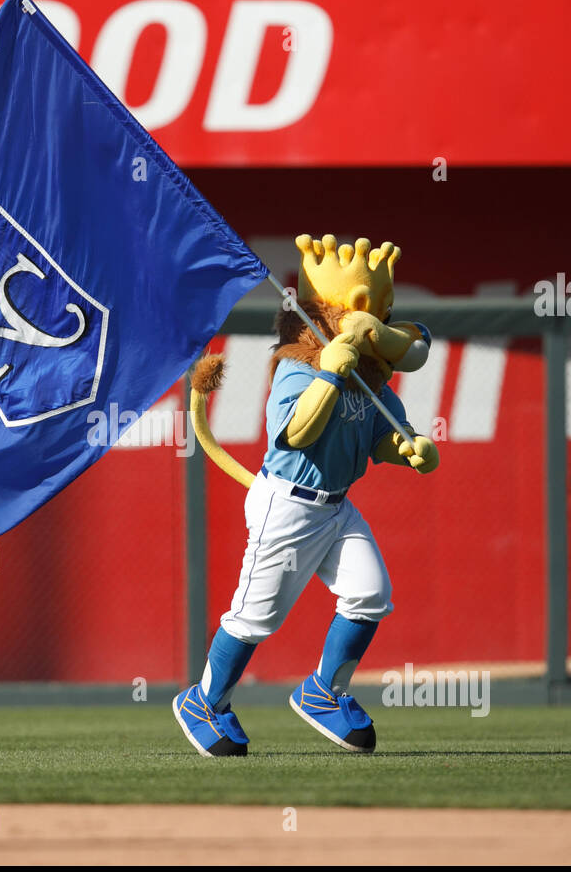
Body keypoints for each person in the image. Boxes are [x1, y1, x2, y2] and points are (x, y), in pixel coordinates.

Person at [176, 234, 437, 756]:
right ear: (323, 313)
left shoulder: (371, 381)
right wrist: (328, 377)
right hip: (288, 504)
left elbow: (379, 438)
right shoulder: (296, 370)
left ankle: (324, 692)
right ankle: (204, 702)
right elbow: (295, 432)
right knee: (255, 617)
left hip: (337, 506)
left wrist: (407, 449)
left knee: (370, 594)